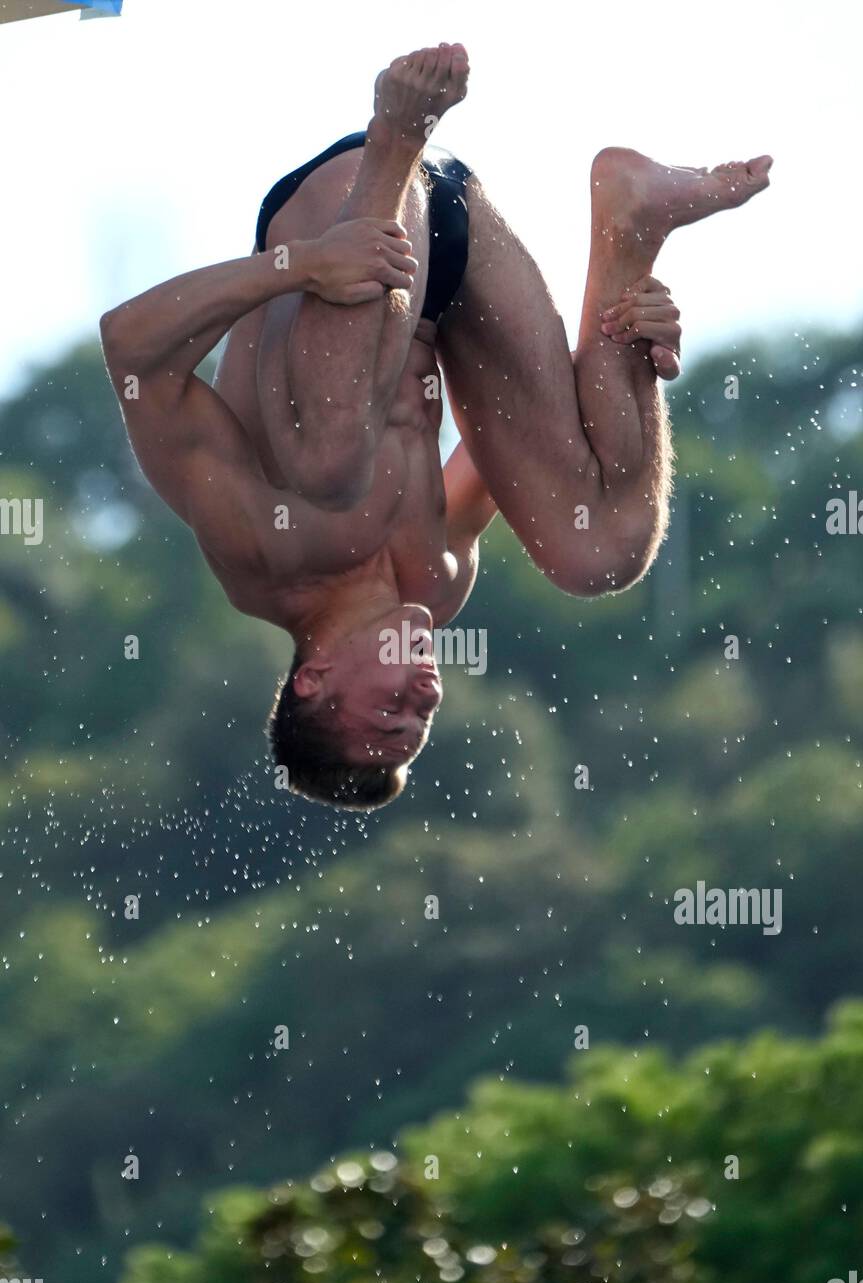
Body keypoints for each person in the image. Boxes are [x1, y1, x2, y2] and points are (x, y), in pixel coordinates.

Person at [100, 43, 771, 810]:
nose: (425, 692)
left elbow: (134, 351)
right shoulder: (437, 583)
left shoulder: (257, 548)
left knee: (327, 468)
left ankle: (398, 132)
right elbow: (517, 451)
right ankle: (631, 224)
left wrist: (297, 267)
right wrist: (631, 361)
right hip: (462, 257)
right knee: (600, 554)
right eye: (422, 716)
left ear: (312, 680)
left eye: (392, 709)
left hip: (347, 202)